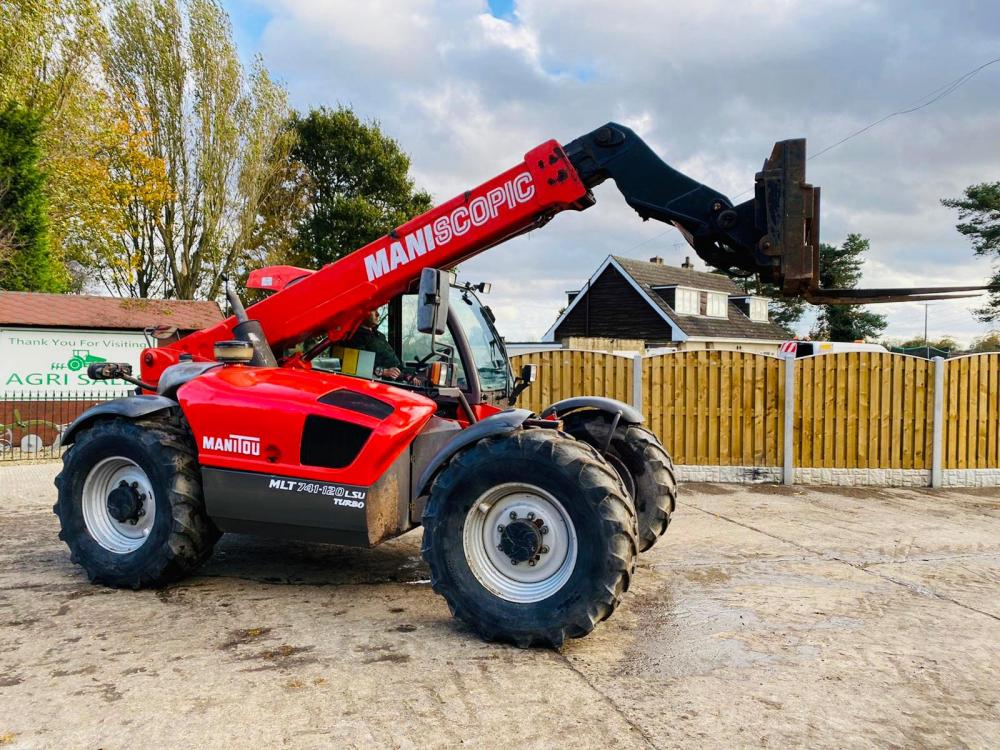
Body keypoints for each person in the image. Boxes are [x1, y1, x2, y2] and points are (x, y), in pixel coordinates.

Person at [342, 308, 404, 380]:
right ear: (363, 313)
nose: (378, 314)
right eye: (374, 310)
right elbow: (360, 365)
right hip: (380, 382)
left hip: (396, 378)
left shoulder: (380, 335)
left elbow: (392, 358)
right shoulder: (354, 337)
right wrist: (385, 372)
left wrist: (406, 376)